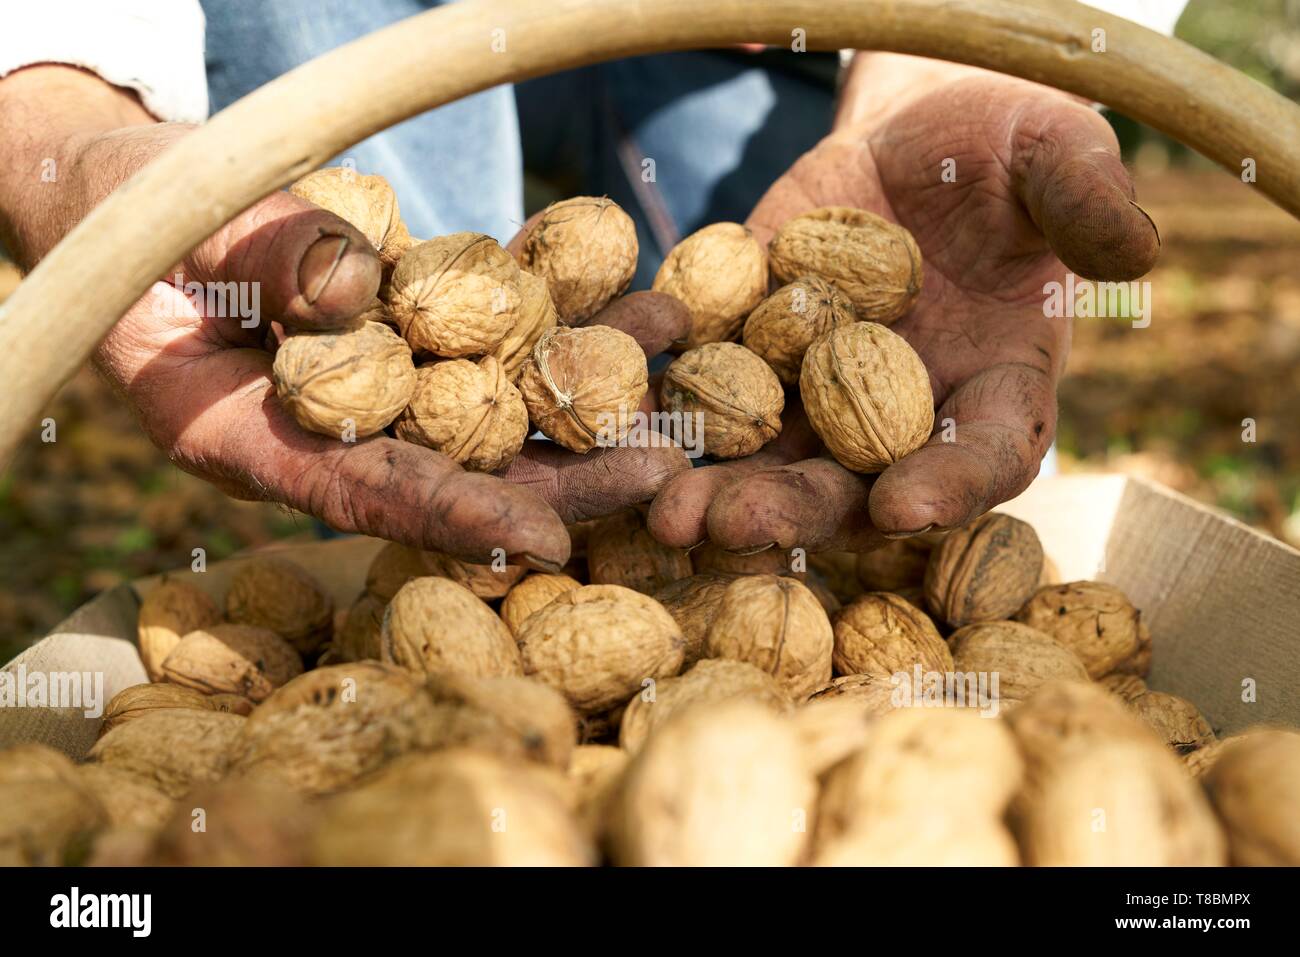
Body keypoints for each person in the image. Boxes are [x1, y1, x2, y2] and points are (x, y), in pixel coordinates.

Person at [0, 1, 1182, 570]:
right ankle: (440, 568)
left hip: (762, 37)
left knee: (787, 495)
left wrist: (945, 59)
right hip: (392, 21)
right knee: (443, 472)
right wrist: (60, 115)